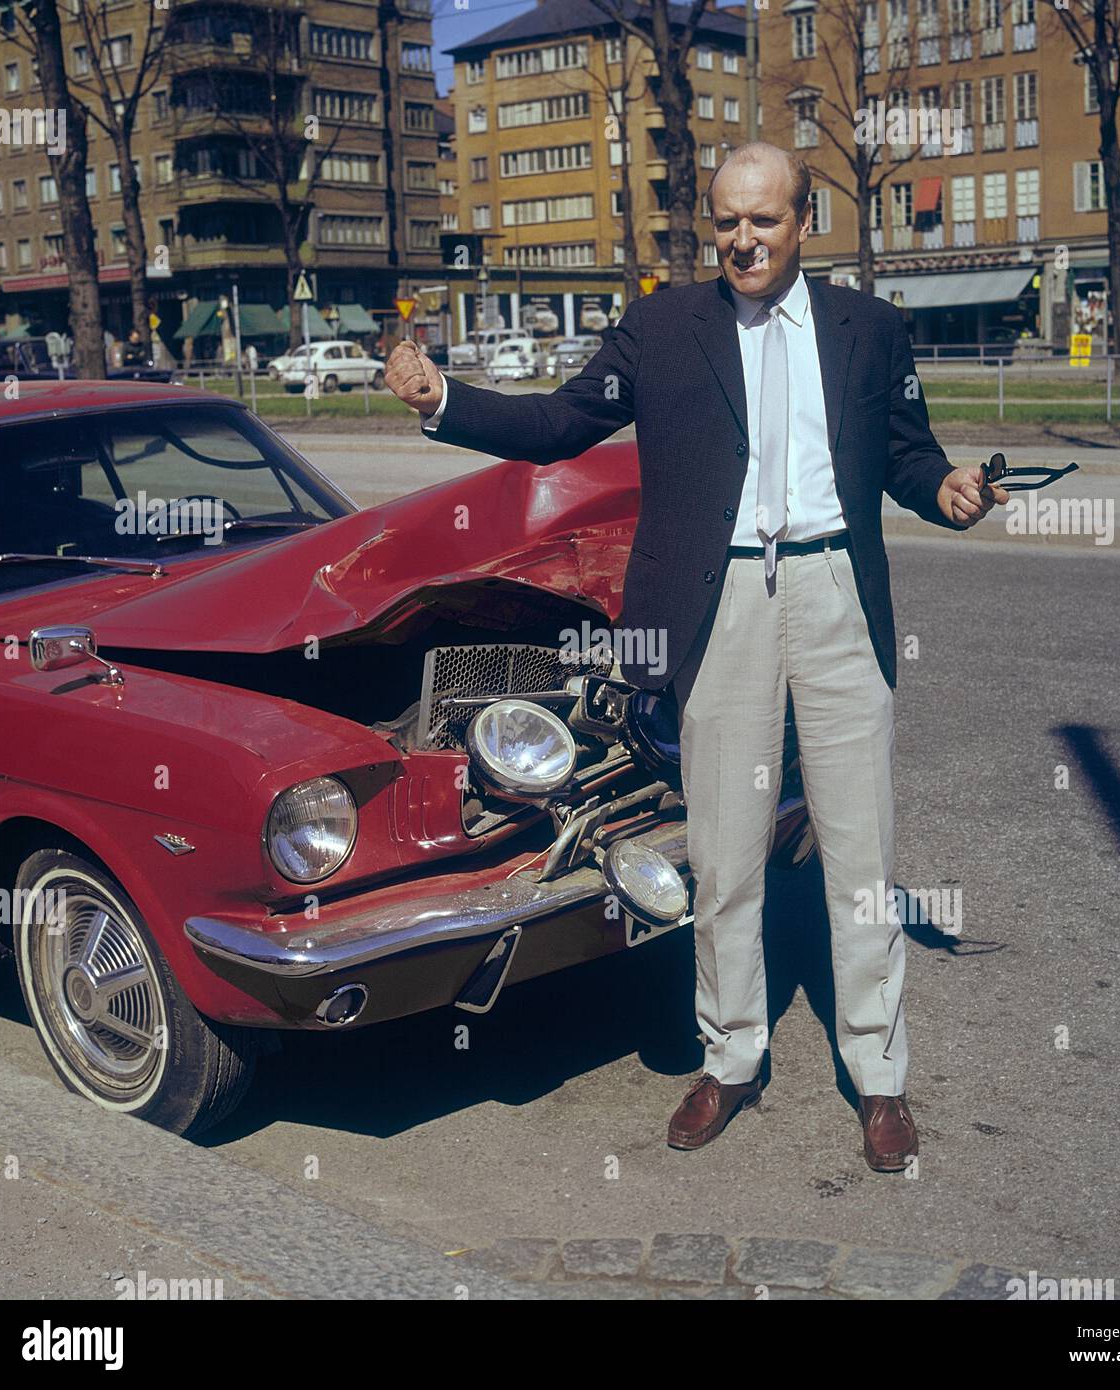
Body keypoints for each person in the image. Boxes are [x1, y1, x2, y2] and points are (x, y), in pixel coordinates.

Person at [384, 141, 1004, 1171]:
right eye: (725, 221)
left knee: (860, 856)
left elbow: (905, 453)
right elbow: (559, 423)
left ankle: (881, 1079)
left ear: (805, 222)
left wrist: (947, 493)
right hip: (719, 603)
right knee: (722, 855)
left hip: (835, 593)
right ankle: (730, 1057)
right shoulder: (664, 326)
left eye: (763, 220)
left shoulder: (869, 327)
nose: (742, 239)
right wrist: (444, 398)